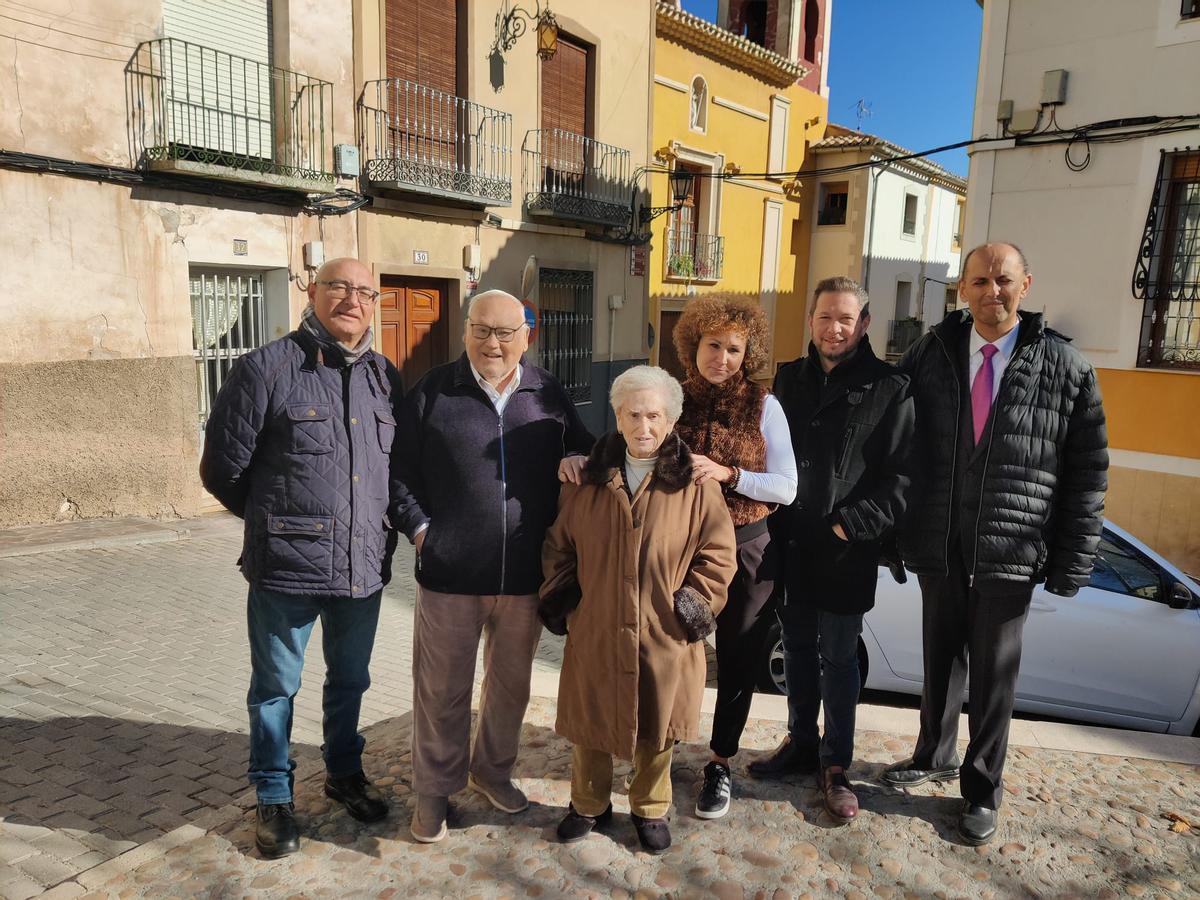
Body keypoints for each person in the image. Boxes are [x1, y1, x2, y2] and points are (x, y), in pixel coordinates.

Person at [884, 242, 1108, 845]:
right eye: (980, 281)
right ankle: (933, 754)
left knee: (994, 672)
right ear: (963, 288)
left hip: (1012, 542)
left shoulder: (1066, 367)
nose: (992, 291)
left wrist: (1072, 560)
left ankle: (982, 789)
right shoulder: (931, 352)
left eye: (1004, 280)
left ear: (1025, 285)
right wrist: (890, 532)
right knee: (940, 659)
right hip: (939, 536)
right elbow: (896, 444)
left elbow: (1087, 472)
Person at [200, 258, 402, 859]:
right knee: (275, 687)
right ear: (312, 292)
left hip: (363, 566)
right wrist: (279, 524)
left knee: (351, 680)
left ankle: (343, 773)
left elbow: (395, 470)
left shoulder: (384, 377)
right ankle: (273, 795)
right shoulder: (264, 368)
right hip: (286, 571)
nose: (352, 299)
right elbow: (222, 470)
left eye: (364, 291)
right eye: (338, 286)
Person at [390, 289, 593, 844]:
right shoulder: (433, 390)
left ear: (526, 337)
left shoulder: (546, 392)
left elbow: (584, 449)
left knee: (510, 688)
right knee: (441, 692)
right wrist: (422, 532)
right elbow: (398, 473)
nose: (492, 343)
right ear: (465, 331)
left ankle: (492, 772)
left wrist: (575, 459)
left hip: (526, 578)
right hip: (450, 577)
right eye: (481, 329)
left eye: (505, 332)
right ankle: (434, 792)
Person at [539, 365, 737, 854]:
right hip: (597, 625)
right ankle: (587, 803)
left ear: (670, 420)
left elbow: (718, 555)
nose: (643, 426)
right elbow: (559, 547)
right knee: (590, 721)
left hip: (663, 627)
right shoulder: (585, 479)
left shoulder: (697, 484)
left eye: (654, 416)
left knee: (657, 722)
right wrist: (570, 604)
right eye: (633, 414)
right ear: (618, 416)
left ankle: (649, 808)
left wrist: (690, 608)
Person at [748, 276, 914, 823]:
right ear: (811, 320)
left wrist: (850, 526)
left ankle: (836, 763)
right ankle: (801, 743)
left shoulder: (891, 386)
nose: (834, 328)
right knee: (795, 647)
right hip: (791, 540)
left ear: (864, 323)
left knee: (840, 658)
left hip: (846, 549)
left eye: (845, 318)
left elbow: (902, 478)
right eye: (825, 317)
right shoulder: (788, 379)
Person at [666, 296, 797, 820]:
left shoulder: (765, 406)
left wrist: (730, 474)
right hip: (680, 545)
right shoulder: (670, 397)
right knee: (671, 649)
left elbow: (787, 486)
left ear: (749, 353)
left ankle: (720, 761)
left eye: (734, 349)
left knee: (739, 658)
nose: (722, 357)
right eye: (713, 345)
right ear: (693, 345)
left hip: (748, 547)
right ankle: (660, 746)